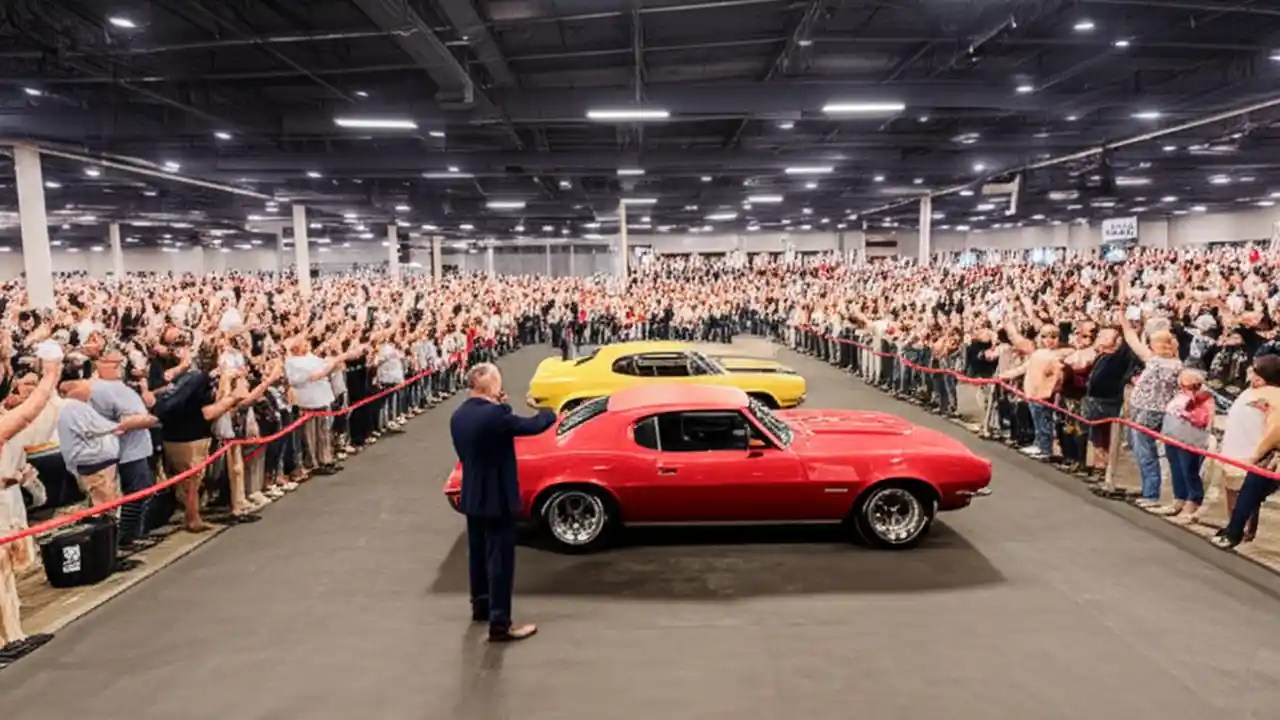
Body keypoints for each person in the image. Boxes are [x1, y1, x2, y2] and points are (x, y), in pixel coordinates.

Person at [449, 362, 556, 642]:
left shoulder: (459, 415)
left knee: (478, 555)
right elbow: (531, 426)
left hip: (473, 494)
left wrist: (501, 406)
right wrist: (549, 411)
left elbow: (495, 428)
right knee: (500, 560)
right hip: (497, 497)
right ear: (493, 385)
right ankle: (500, 623)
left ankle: (481, 606)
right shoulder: (495, 416)